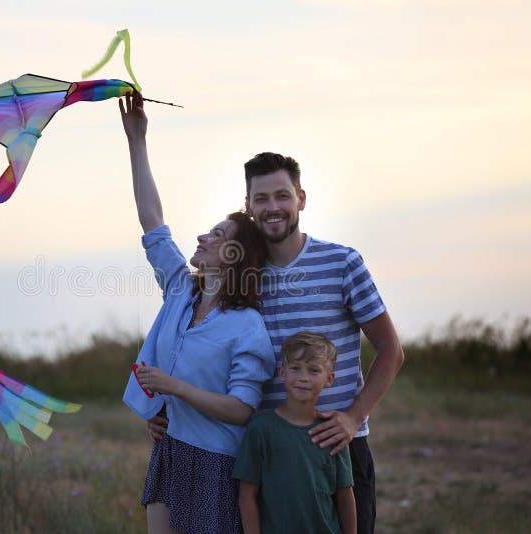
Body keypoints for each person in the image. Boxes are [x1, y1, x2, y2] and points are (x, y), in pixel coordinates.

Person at [150, 152, 405, 533]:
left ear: (301, 198)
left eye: (282, 196)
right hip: (266, 450)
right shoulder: (243, 277)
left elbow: (391, 350)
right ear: (249, 206)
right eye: (262, 199)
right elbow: (210, 353)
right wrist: (171, 412)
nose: (273, 207)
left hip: (336, 445)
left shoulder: (343, 263)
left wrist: (353, 419)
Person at [119, 92, 277, 534]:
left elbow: (242, 409)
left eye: (217, 234)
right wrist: (137, 140)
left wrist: (174, 387)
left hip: (216, 464)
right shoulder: (180, 291)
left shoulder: (247, 326)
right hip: (170, 451)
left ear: (234, 254)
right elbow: (152, 220)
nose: (203, 237)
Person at [233, 331, 357, 534]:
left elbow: (345, 497)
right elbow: (247, 494)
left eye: (314, 370)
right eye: (295, 368)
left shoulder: (333, 432)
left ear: (329, 379)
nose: (303, 378)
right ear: (282, 373)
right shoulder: (261, 430)